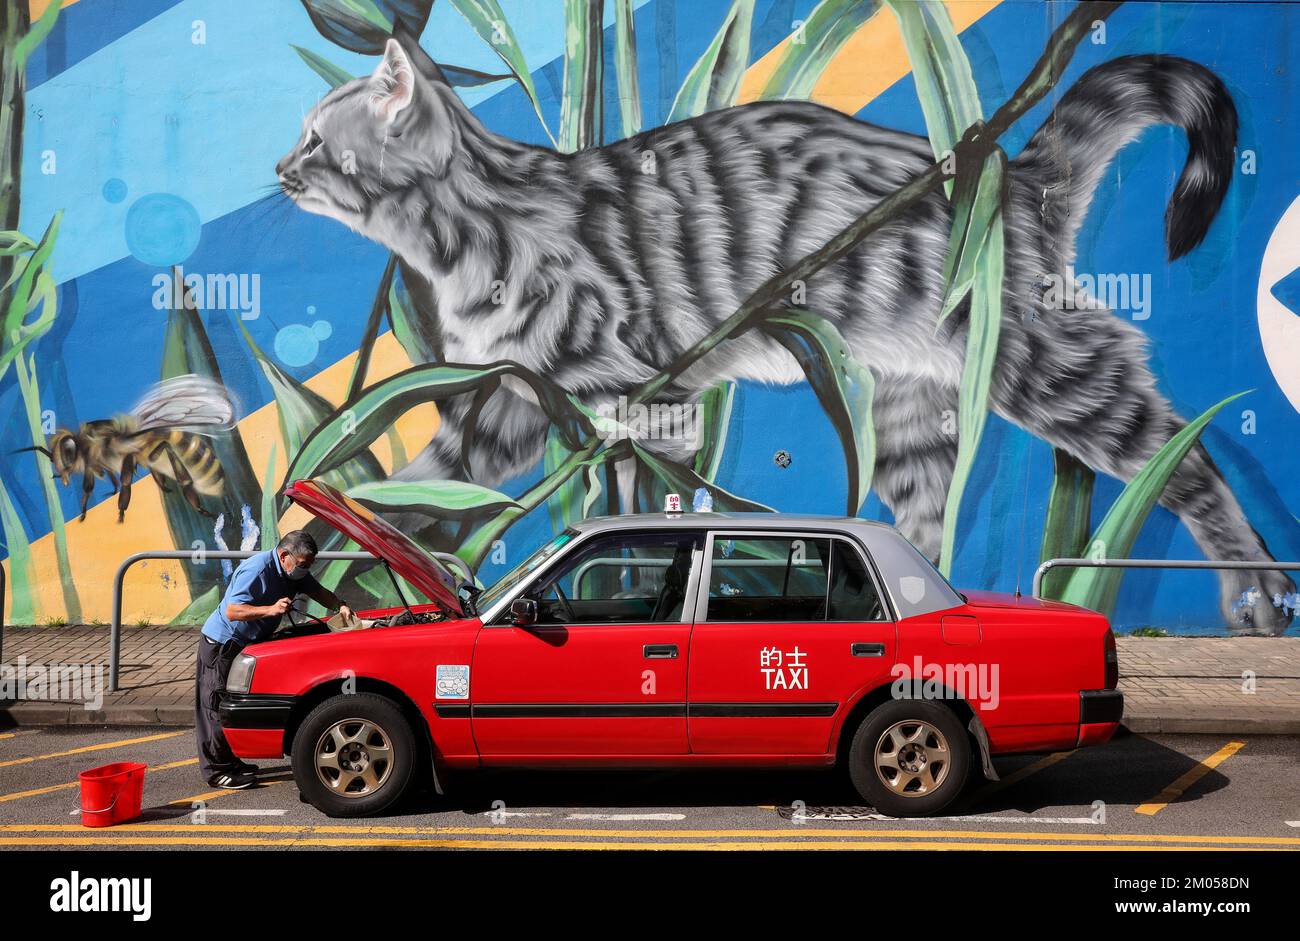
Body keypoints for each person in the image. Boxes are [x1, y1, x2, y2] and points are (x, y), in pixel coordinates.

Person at [195, 531, 353, 789]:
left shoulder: (293, 571)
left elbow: (317, 591)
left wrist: (340, 605)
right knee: (215, 707)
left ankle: (230, 761)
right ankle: (216, 770)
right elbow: (232, 610)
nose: (305, 570)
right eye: (302, 565)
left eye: (309, 565)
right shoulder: (256, 571)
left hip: (247, 643)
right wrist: (270, 610)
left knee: (232, 703)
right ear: (284, 556)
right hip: (223, 645)